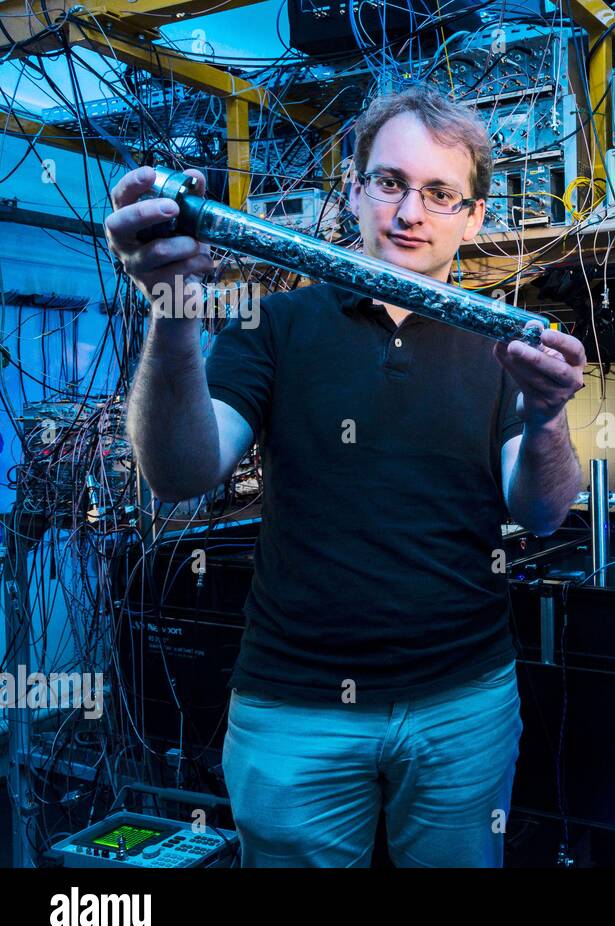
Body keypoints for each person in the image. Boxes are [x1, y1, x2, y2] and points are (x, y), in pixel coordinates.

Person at [108, 85, 586, 866]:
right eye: (390, 183)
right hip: (293, 712)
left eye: (439, 193)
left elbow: (537, 511)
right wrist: (171, 307)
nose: (409, 213)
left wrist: (547, 413)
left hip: (463, 708)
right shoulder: (274, 324)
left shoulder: (503, 345)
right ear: (355, 191)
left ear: (472, 216)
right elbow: (179, 471)